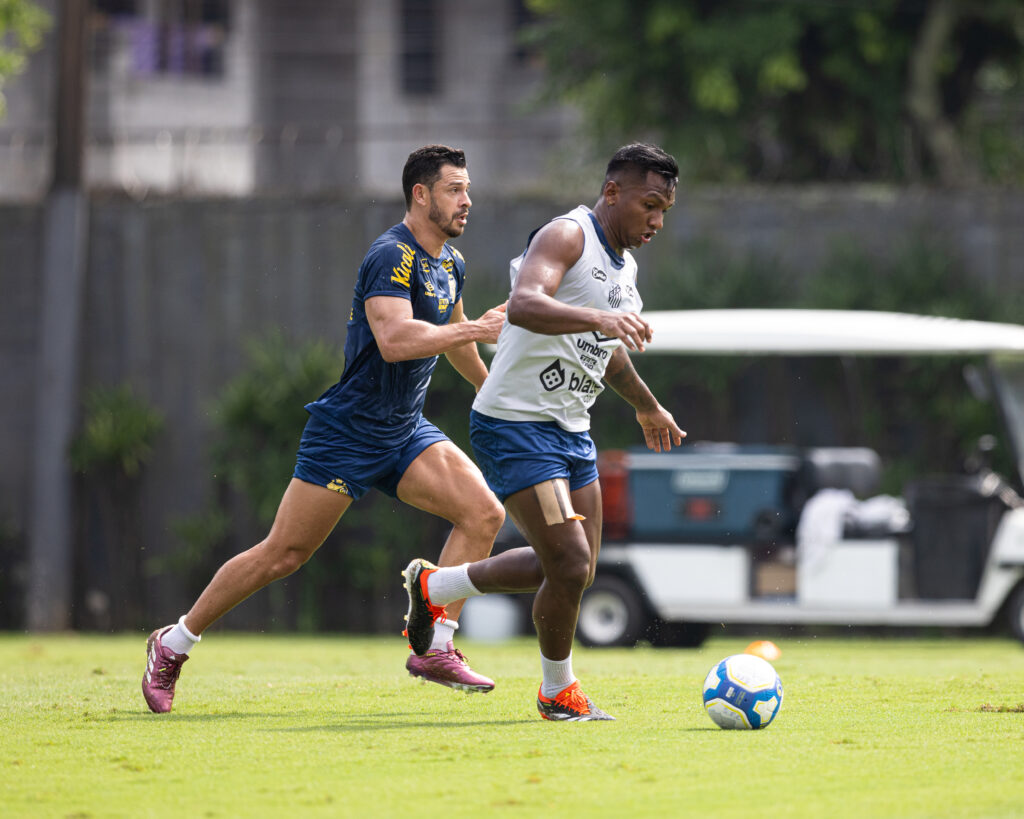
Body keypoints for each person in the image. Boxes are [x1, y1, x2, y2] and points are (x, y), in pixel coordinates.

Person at [143, 145, 508, 713]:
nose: (467, 200)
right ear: (421, 195)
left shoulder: (449, 263)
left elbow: (455, 329)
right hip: (348, 434)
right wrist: (475, 332)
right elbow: (395, 341)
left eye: (467, 189)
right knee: (283, 554)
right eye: (455, 189)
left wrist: (489, 394)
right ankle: (174, 642)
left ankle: (435, 645)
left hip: (405, 430)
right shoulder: (392, 255)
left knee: (483, 513)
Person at [403, 143, 685, 721]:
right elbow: (527, 305)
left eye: (665, 211)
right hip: (517, 423)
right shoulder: (566, 236)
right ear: (612, 193)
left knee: (574, 570)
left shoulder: (625, 267)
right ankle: (558, 692)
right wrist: (600, 318)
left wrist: (647, 407)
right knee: (571, 563)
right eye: (649, 205)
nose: (656, 221)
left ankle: (436, 589)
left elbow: (605, 353)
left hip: (571, 430)